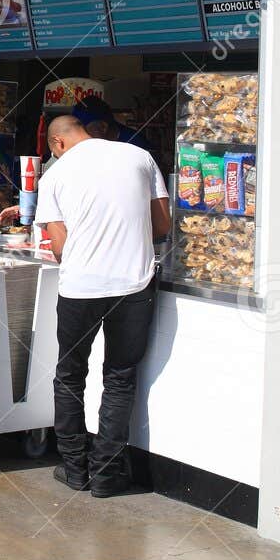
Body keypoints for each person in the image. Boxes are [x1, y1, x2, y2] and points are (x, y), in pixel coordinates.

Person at [36, 114, 171, 496]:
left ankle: (74, 468)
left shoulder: (54, 177)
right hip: (134, 285)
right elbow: (162, 225)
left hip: (80, 287)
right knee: (120, 376)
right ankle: (108, 476)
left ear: (57, 143)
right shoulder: (139, 156)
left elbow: (59, 245)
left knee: (70, 375)